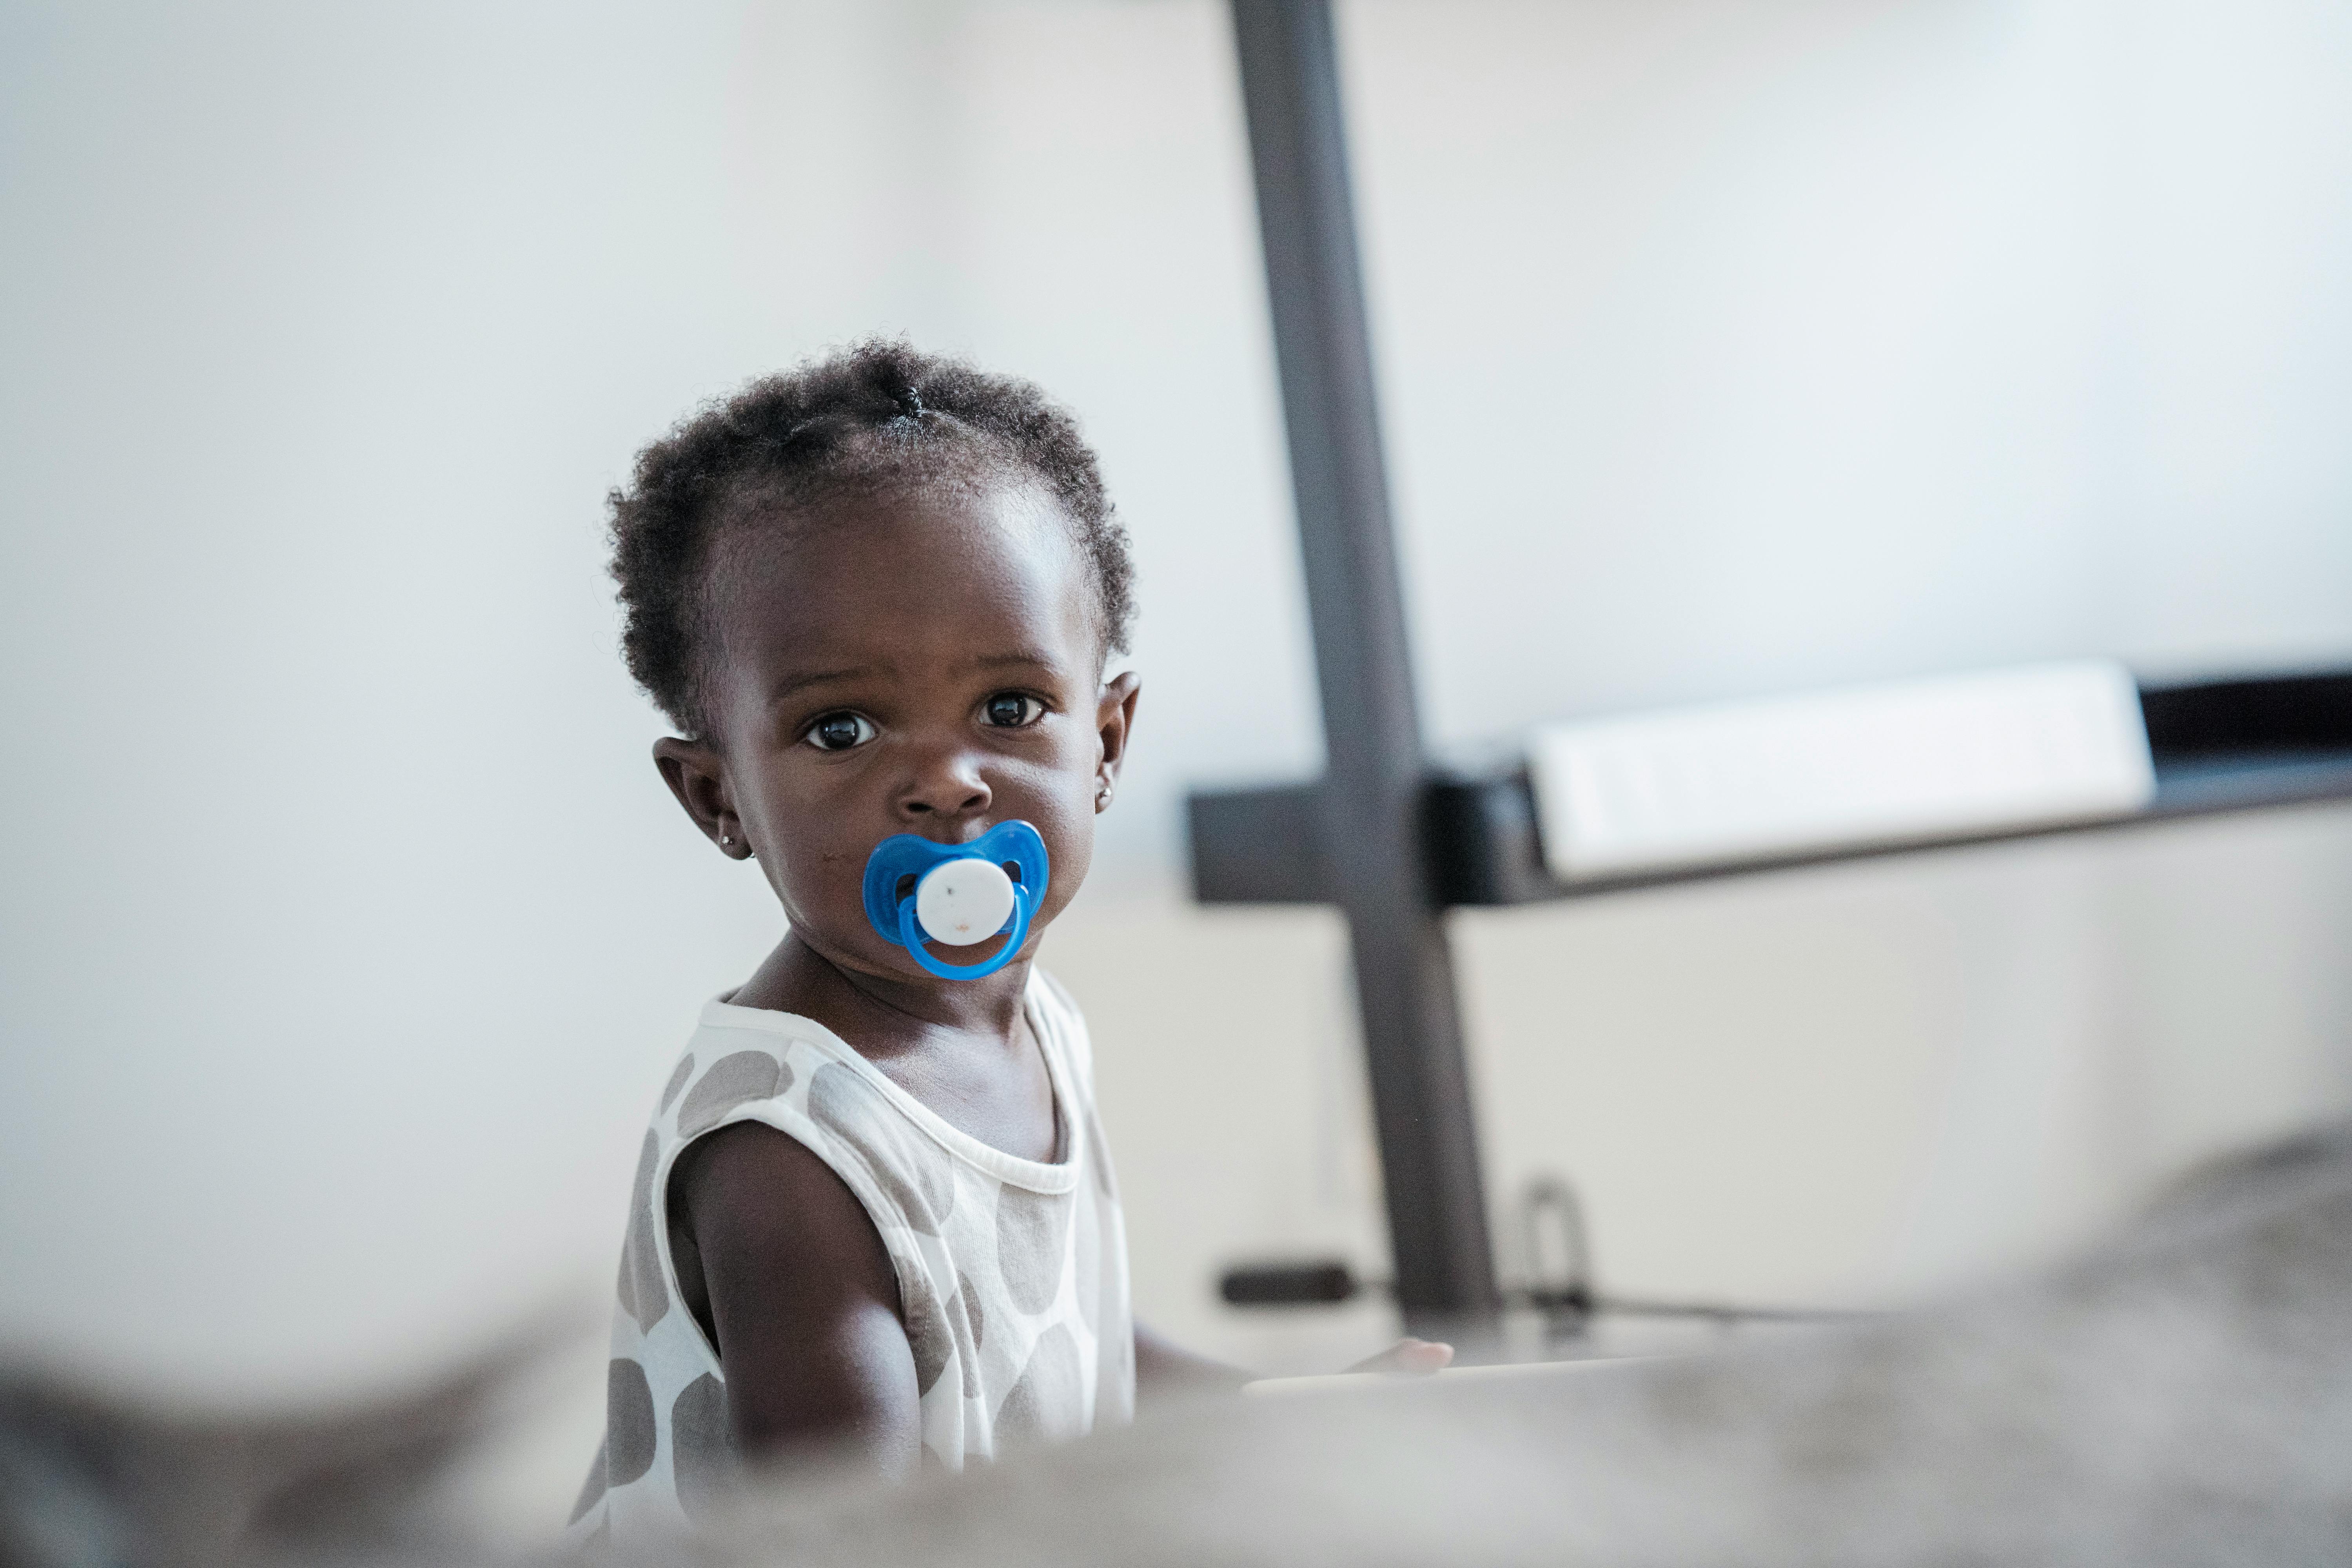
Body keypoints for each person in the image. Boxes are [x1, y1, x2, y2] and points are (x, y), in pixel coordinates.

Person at [568, 341, 1447, 1549]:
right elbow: (858, 1538)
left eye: (1010, 708)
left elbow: (1061, 1341)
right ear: (719, 798)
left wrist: (1274, 1422)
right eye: (840, 728)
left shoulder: (1033, 1023)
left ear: (1107, 741)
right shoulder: (787, 1157)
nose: (945, 781)